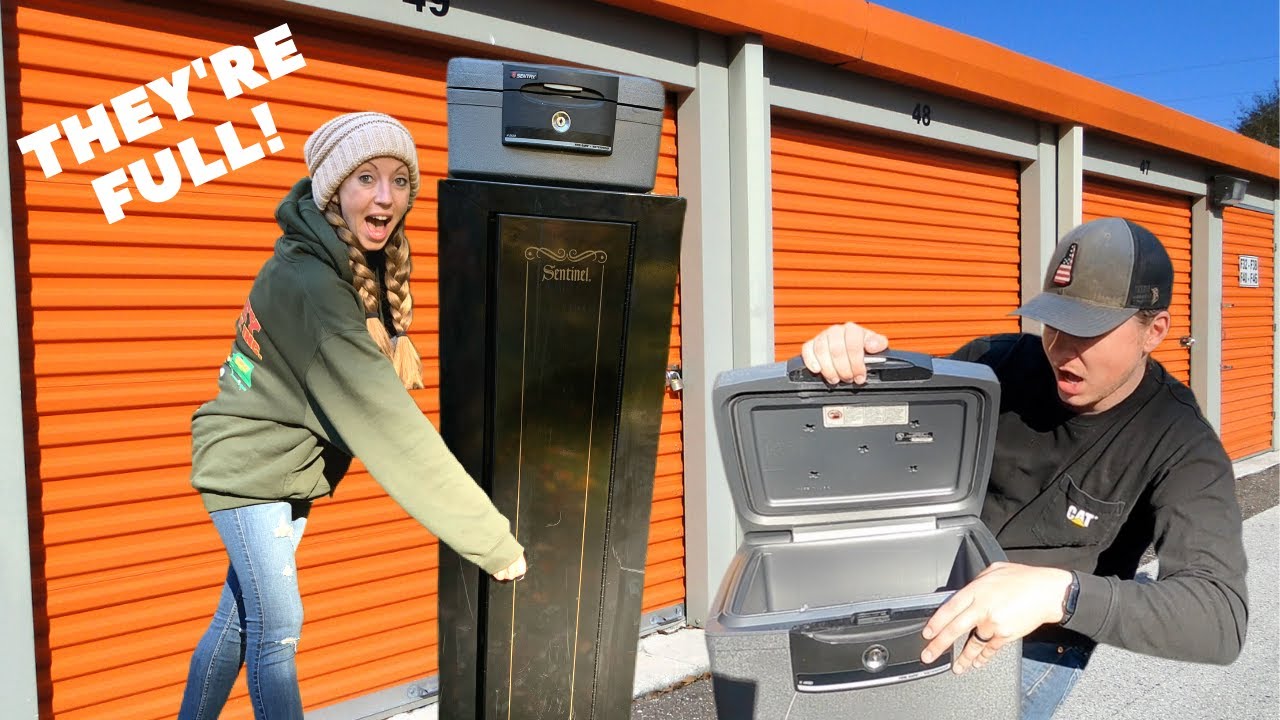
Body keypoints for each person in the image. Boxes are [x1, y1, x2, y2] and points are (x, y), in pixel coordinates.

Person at [801, 217, 1248, 719]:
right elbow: (882, 432)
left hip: (1036, 632)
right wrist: (851, 366)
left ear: (1155, 331)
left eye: (1090, 330)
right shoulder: (994, 365)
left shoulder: (1181, 442)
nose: (1061, 348)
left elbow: (1220, 617)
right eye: (1054, 322)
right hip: (928, 586)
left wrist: (1059, 591)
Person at [177, 112, 526, 720]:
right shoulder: (313, 285)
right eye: (366, 177)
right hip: (247, 470)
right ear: (333, 189)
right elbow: (392, 428)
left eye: (398, 179)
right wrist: (491, 542)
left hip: (281, 470)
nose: (385, 196)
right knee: (278, 632)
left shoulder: (343, 257)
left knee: (237, 626)